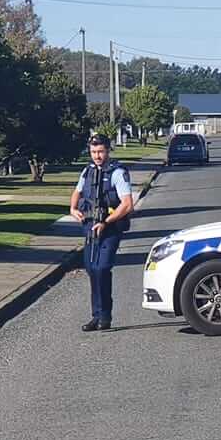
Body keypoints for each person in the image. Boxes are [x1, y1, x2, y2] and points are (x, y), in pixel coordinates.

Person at [70, 136, 134, 331]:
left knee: (102, 268)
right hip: (90, 226)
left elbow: (127, 204)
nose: (97, 156)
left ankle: (105, 315)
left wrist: (106, 222)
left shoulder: (117, 173)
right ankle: (96, 316)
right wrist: (73, 208)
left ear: (108, 151)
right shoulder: (87, 171)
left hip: (110, 228)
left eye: (100, 152)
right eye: (93, 152)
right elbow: (77, 191)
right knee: (91, 269)